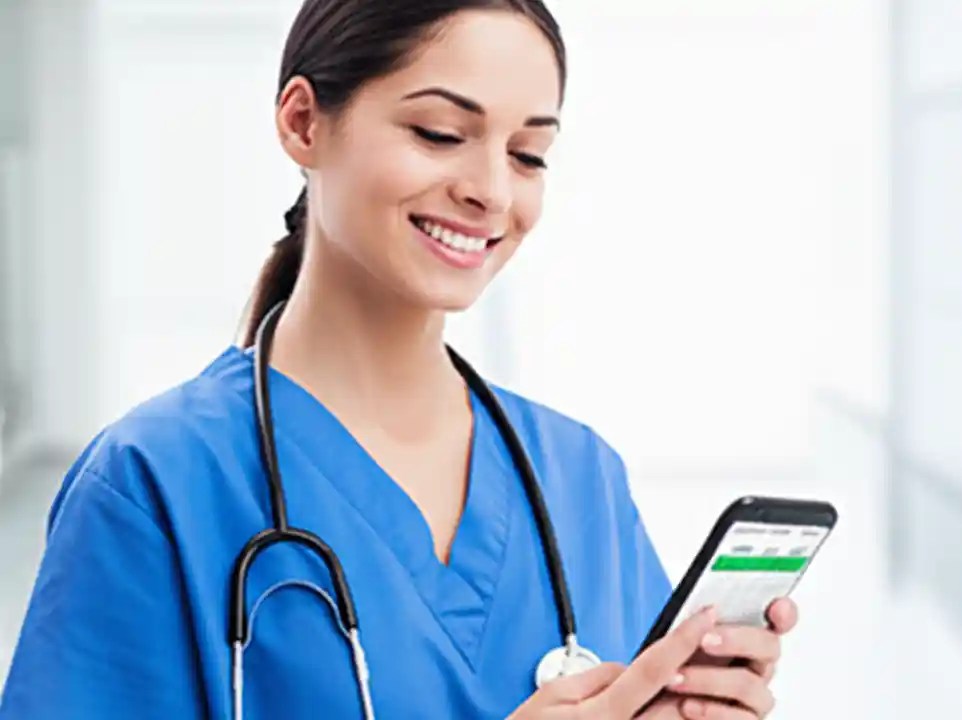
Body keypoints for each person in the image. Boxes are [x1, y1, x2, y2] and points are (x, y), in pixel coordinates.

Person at [0, 1, 801, 718]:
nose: (491, 189)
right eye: (440, 134)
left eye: (528, 154)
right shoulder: (155, 482)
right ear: (303, 123)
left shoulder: (579, 477)